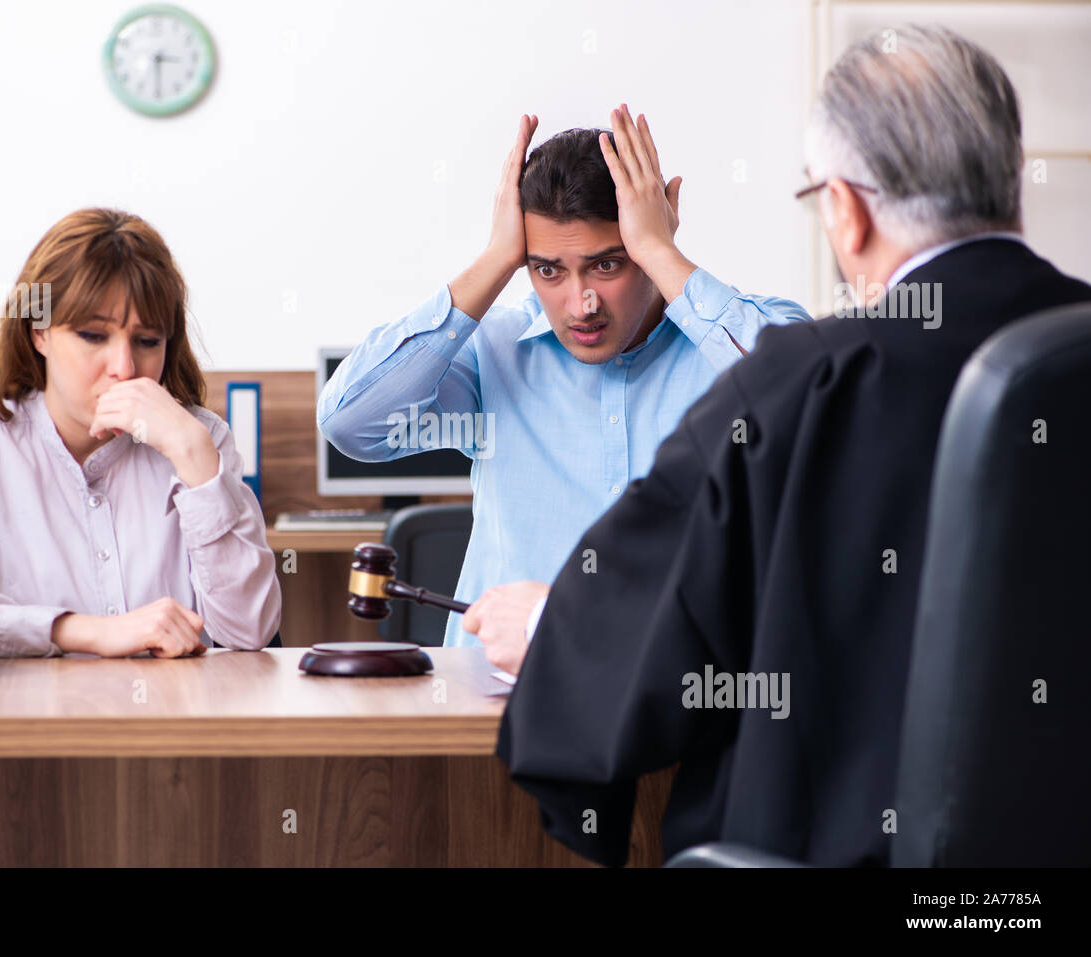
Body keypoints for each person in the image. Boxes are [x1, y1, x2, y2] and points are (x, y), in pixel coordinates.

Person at [464, 25, 1091, 865]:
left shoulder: (805, 381)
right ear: (1011, 177)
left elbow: (674, 623)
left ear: (845, 207)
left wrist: (547, 621)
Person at [319, 107, 811, 647]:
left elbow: (808, 407)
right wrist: (497, 259)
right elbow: (350, 424)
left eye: (608, 264)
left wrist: (658, 250)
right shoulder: (493, 354)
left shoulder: (739, 338)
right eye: (548, 270)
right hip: (499, 697)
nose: (581, 305)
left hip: (681, 691)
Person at [0, 208, 282, 658]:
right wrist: (74, 630)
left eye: (148, 342)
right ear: (39, 333)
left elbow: (251, 634)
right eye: (93, 335)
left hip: (170, 723)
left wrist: (194, 457)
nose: (125, 369)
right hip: (27, 724)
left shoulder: (200, 440)